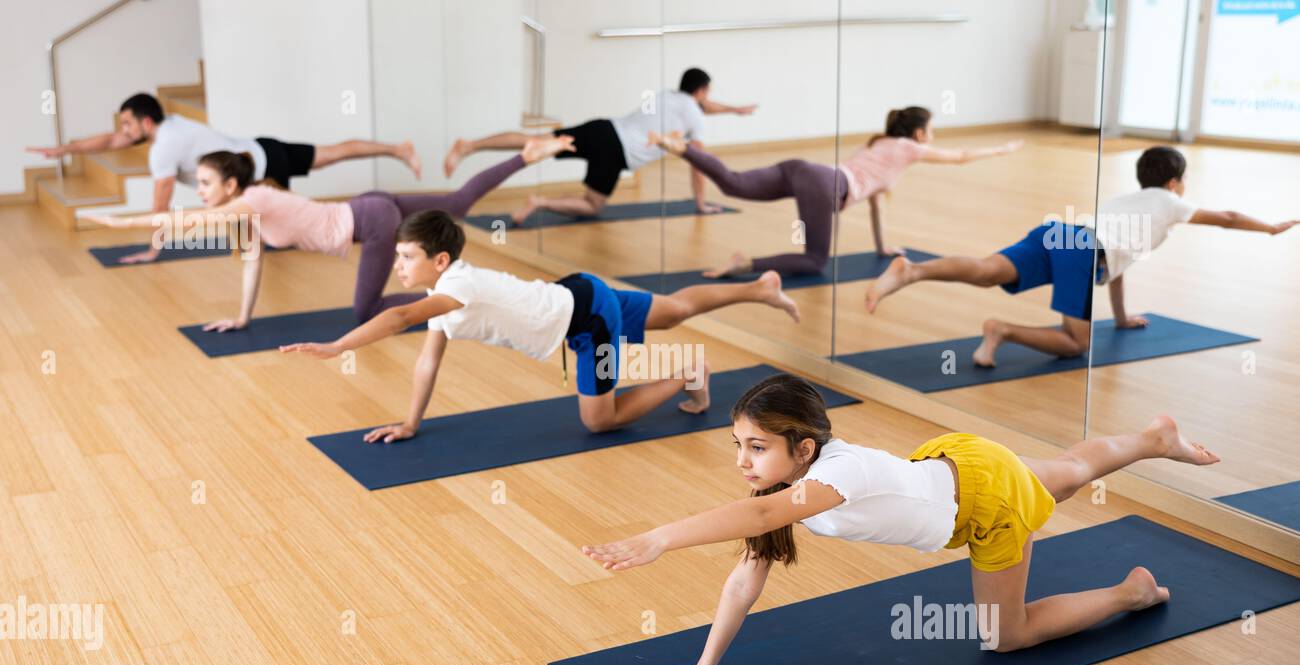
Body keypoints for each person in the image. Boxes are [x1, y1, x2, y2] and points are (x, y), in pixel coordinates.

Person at [580, 372, 1218, 665]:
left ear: (804, 448)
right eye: (737, 445)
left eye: (756, 447)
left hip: (982, 503)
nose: (742, 462)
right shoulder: (782, 485)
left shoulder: (837, 474)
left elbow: (758, 520)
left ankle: (1130, 595)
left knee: (1006, 636)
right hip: (961, 466)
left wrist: (660, 536)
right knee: (1069, 472)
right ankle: (1153, 438)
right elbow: (747, 575)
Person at [279, 210, 802, 435]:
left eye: (408, 256)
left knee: (598, 421)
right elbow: (426, 361)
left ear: (439, 261)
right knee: (677, 309)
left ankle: (686, 369)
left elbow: (396, 317)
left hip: (587, 320)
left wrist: (335, 346)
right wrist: (411, 422)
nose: (399, 265)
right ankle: (759, 288)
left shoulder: (455, 289)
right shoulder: (448, 290)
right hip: (579, 291)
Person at [864, 145, 1299, 366]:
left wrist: (1123, 317)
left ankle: (912, 269)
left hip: (1060, 233)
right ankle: (1000, 330)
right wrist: (1269, 227)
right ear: (1174, 183)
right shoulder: (1170, 203)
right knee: (1076, 345)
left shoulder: (1124, 202)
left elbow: (1115, 267)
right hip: (1082, 250)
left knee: (984, 270)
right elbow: (1226, 216)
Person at [87, 137, 573, 329]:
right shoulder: (250, 213)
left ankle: (456, 301)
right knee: (459, 204)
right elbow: (253, 264)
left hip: (373, 220)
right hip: (370, 207)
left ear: (232, 185)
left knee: (365, 312)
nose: (203, 192)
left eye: (208, 184)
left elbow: (183, 222)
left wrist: (121, 222)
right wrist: (240, 319)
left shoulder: (251, 199)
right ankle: (524, 157)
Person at [29, 93, 421, 262]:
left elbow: (160, 203)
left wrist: (153, 248)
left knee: (325, 162)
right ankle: (396, 149)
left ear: (145, 122)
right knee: (327, 155)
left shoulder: (163, 147)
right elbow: (113, 140)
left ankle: (389, 169)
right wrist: (65, 151)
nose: (123, 132)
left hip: (264, 167)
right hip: (260, 149)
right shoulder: (167, 126)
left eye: (128, 124)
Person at [649, 106, 1022, 279]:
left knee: (733, 183)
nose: (932, 138)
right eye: (932, 130)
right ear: (920, 134)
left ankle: (681, 148)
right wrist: (1000, 150)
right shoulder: (910, 148)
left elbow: (876, 203)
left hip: (806, 170)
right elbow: (959, 157)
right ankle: (744, 265)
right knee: (814, 261)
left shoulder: (880, 145)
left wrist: (882, 246)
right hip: (824, 184)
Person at [442, 68, 756, 223]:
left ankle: (474, 149)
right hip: (616, 151)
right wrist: (700, 204)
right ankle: (535, 199)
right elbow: (698, 161)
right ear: (702, 90)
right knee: (592, 206)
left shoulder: (669, 97)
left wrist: (733, 110)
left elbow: (705, 104)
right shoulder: (693, 116)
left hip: (605, 130)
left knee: (536, 143)